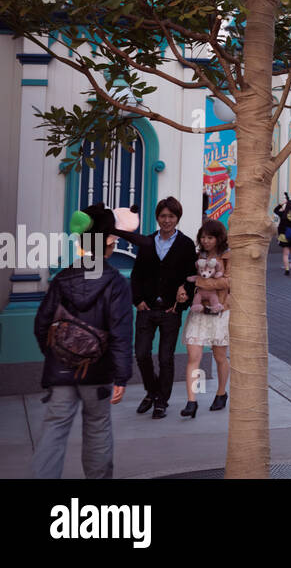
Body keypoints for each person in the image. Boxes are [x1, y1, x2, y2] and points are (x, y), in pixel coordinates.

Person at [31, 206, 132, 478]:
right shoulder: (116, 283)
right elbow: (121, 333)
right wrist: (122, 375)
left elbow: (41, 323)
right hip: (97, 373)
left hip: (61, 372)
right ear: (108, 241)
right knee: (97, 428)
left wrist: (57, 354)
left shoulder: (62, 278)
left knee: (53, 430)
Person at [130, 196, 196, 419]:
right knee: (141, 353)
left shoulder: (186, 245)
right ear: (157, 217)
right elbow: (137, 274)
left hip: (170, 310)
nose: (167, 220)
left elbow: (191, 277)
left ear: (177, 218)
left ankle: (161, 401)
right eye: (163, 216)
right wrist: (138, 300)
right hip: (146, 309)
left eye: (171, 216)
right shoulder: (148, 242)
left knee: (166, 357)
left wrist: (182, 300)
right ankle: (152, 391)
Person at [179, 219, 232, 417]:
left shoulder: (227, 257)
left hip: (220, 311)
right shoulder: (197, 256)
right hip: (199, 311)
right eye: (203, 237)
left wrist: (202, 282)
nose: (206, 241)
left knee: (219, 357)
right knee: (194, 356)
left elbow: (228, 282)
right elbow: (189, 280)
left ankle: (221, 393)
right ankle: (192, 401)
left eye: (210, 237)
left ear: (219, 238)